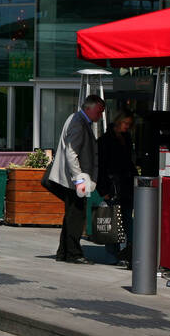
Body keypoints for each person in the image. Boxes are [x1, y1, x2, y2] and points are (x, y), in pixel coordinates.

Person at [46, 94, 105, 264]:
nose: (100, 116)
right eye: (99, 112)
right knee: (76, 216)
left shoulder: (77, 119)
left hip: (73, 178)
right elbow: (71, 154)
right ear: (89, 108)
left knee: (72, 215)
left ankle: (64, 252)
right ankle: (73, 253)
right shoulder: (79, 123)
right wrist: (79, 180)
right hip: (75, 179)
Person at [98, 108, 138, 266]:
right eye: (125, 123)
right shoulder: (105, 141)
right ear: (118, 121)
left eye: (129, 124)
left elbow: (128, 162)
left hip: (125, 185)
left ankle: (126, 252)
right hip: (112, 185)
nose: (127, 126)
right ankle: (113, 253)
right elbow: (100, 167)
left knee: (126, 219)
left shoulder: (126, 138)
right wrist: (103, 190)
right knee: (114, 220)